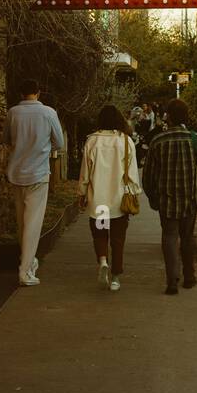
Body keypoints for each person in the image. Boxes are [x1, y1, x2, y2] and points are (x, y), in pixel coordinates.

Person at [2, 78, 65, 286]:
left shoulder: (13, 113)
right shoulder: (48, 113)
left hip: (16, 173)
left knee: (22, 222)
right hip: (38, 173)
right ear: (38, 92)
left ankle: (28, 260)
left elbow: (7, 139)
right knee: (33, 223)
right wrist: (46, 148)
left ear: (21, 94)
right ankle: (25, 270)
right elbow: (60, 142)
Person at [142, 98, 197, 295]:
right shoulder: (196, 139)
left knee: (169, 237)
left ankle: (172, 280)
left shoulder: (158, 141)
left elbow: (148, 175)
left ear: (168, 116)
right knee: (187, 237)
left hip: (167, 199)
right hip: (189, 199)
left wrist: (153, 197)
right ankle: (189, 276)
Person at [78, 104, 140, 292]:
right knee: (118, 239)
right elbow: (132, 172)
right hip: (119, 200)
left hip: (99, 200)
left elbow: (85, 173)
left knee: (100, 234)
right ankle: (115, 278)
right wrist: (135, 193)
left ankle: (103, 260)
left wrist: (81, 193)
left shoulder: (92, 142)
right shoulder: (125, 141)